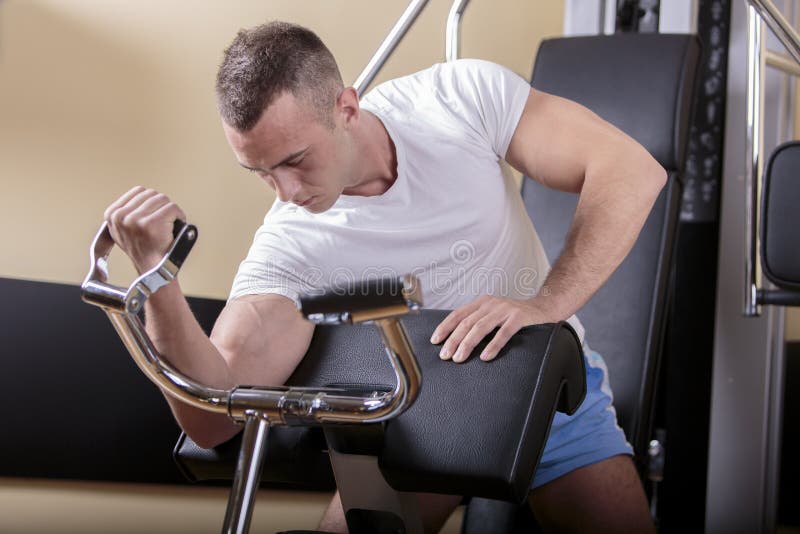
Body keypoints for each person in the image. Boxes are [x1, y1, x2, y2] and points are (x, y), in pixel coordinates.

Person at [104, 21, 663, 533]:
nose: (287, 193)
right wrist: (159, 282)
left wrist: (546, 305)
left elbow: (630, 170)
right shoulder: (291, 243)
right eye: (261, 172)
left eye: (296, 159)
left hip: (543, 387)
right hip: (421, 420)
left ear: (346, 106)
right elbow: (212, 419)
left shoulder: (456, 99)